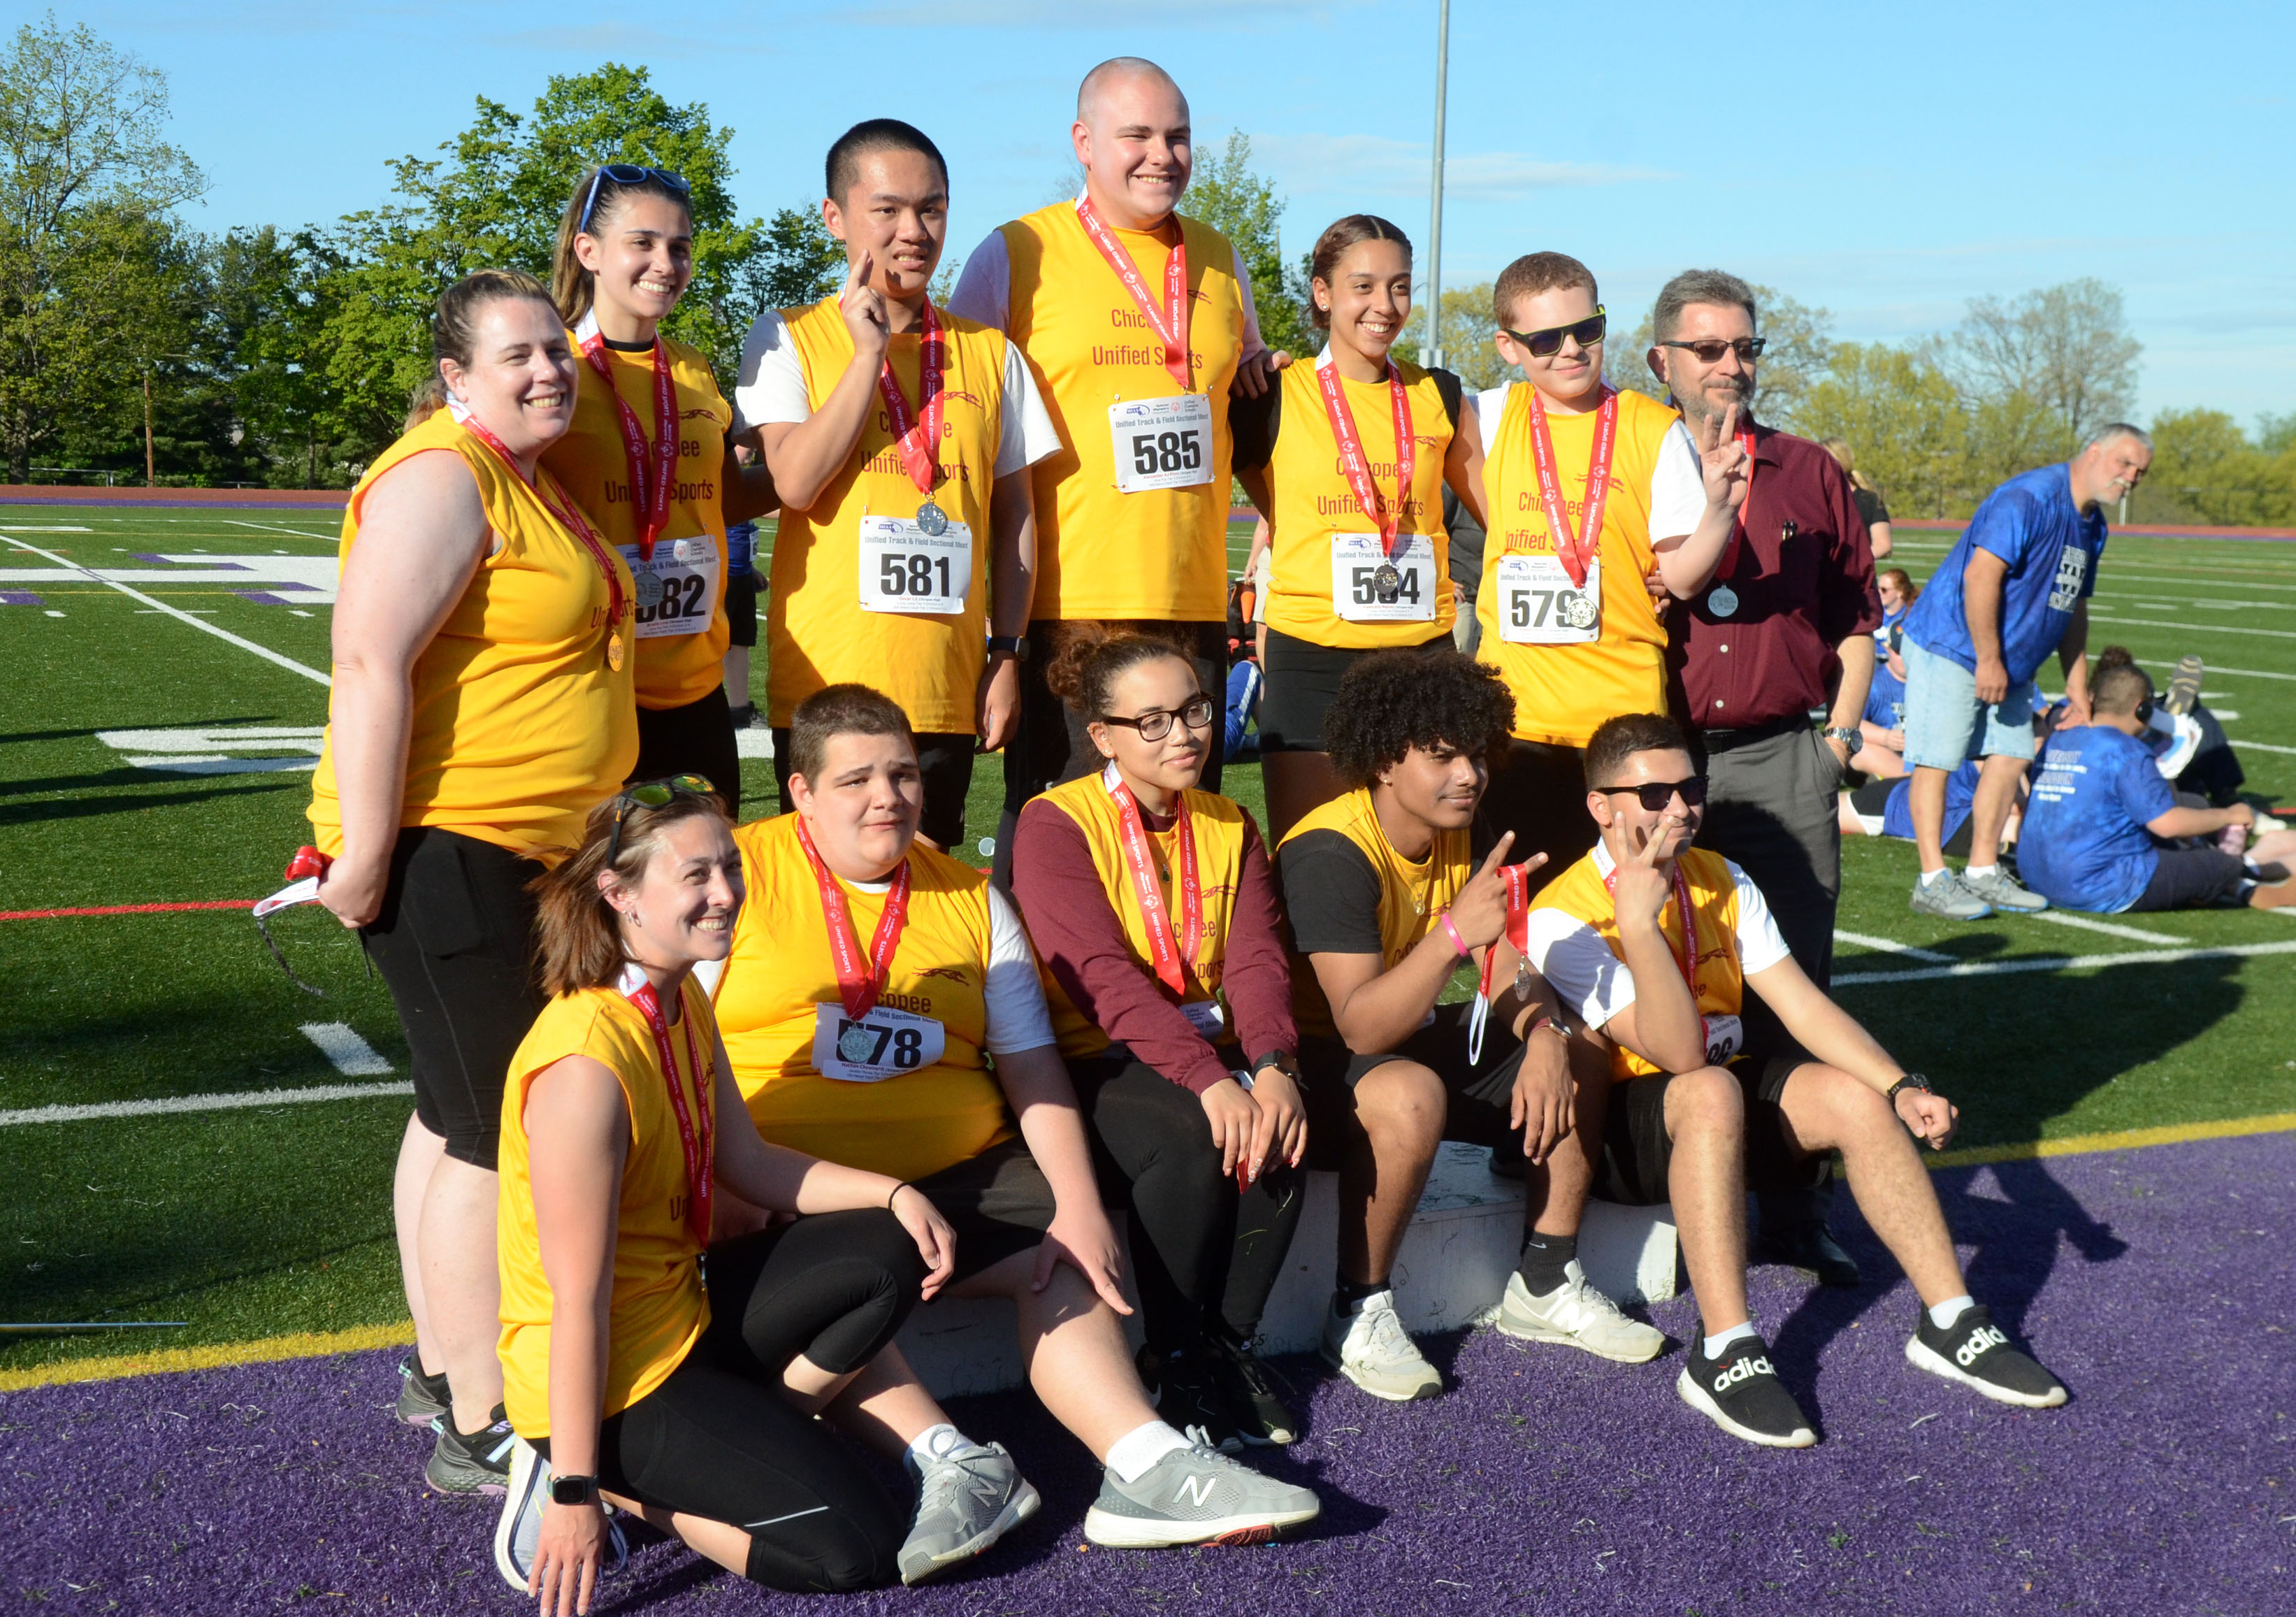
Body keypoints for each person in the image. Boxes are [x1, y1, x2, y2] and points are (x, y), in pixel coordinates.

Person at [709, 684, 1320, 1548]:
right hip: (797, 1181)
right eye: (855, 781)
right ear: (800, 792)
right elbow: (673, 1050)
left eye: (902, 775)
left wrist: (1075, 1204)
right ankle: (952, 1460)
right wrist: (727, 1171)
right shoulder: (732, 880)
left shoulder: (969, 896)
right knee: (865, 1257)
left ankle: (1147, 1466)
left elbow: (1033, 1073)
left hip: (965, 1171)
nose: (887, 796)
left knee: (1059, 1253)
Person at [491, 780, 1013, 1600]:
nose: (727, 894)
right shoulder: (585, 1070)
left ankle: (743, 1434)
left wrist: (895, 1195)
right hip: (618, 1383)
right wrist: (577, 1494)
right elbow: (577, 1300)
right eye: (696, 876)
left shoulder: (679, 998)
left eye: (731, 867)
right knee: (857, 1552)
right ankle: (609, 1479)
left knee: (886, 1249)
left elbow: (752, 1163)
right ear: (618, 893)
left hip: (684, 1314)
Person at [305, 269, 637, 1493]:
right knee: (498, 1128)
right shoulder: (444, 473)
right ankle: (482, 1415)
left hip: (518, 848)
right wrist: (368, 853)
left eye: (557, 348)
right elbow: (367, 659)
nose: (550, 368)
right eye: (518, 356)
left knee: (451, 1111)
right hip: (453, 844)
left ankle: (442, 1365)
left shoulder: (518, 476)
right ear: (456, 375)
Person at [1521, 713, 2068, 1448]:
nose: (1680, 807)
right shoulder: (1563, 913)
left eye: (1690, 788)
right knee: (1711, 1088)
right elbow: (1679, 1055)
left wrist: (1901, 1084)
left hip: (1712, 1094)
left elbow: (1802, 1004)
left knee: (1852, 1096)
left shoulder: (1722, 874)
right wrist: (1641, 926)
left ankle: (1950, 1319)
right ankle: (1723, 1349)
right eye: (1655, 795)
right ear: (1602, 806)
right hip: (1626, 1125)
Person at [1276, 648, 1658, 1406]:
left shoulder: (1463, 824)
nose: (1469, 774)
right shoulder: (1330, 850)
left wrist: (1545, 1032)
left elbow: (1509, 960)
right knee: (1412, 1091)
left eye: (1477, 754)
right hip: (1305, 1063)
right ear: (1384, 762)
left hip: (1400, 1029)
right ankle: (1358, 1308)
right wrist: (1452, 934)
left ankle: (1545, 1279)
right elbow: (1359, 1027)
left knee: (1579, 1042)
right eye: (1443, 756)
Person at [946, 57, 1281, 884]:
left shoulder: (1219, 257)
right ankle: (1039, 1016)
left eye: (1178, 137)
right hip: (1066, 612)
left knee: (1175, 855)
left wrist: (1262, 368)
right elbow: (954, 408)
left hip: (1190, 609)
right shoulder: (1017, 251)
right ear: (1084, 142)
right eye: (1137, 135)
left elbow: (1247, 392)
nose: (1161, 155)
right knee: (1059, 849)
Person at [1642, 269, 1883, 1291]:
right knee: (1651, 981)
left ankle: (1792, 1206)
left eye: (1744, 347)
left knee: (1796, 988)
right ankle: (1657, 1206)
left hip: (1785, 753)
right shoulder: (1625, 461)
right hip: (1664, 760)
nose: (1730, 365)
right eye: (1708, 349)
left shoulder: (1809, 468)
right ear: (1661, 361)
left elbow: (1856, 618)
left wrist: (1836, 738)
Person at [1011, 629, 1306, 1451]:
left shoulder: (1229, 820)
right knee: (1187, 1137)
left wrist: (1274, 1065)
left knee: (1282, 1124)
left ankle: (1226, 1347)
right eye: (1152, 721)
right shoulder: (1053, 821)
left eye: (1194, 711)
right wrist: (1210, 1078)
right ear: (1100, 736)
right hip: (1096, 1055)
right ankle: (1172, 1357)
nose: (1182, 735)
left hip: (1205, 1050)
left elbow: (1255, 960)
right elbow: (1099, 978)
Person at [735, 120, 1057, 851]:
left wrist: (1005, 654)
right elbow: (795, 481)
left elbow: (1015, 518)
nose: (914, 230)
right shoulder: (787, 335)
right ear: (836, 218)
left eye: (932, 208)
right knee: (824, 921)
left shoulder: (990, 353)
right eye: (887, 209)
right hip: (825, 690)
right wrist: (865, 355)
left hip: (944, 689)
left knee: (927, 914)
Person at [1468, 252, 1738, 891]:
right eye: (1544, 338)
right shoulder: (1482, 417)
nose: (1569, 350)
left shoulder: (1652, 428)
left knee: (1629, 916)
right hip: (1515, 726)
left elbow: (1681, 576)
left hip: (1624, 732)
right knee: (1523, 924)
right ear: (1508, 347)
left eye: (1585, 330)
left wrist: (1721, 511)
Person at [1227, 214, 1482, 843]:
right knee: (1313, 858)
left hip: (1421, 659)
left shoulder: (1440, 394)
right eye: (1362, 286)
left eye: (1399, 287)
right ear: (1322, 294)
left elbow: (1503, 522)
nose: (1384, 305)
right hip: (1310, 658)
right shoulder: (1271, 394)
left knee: (1427, 861)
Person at [543, 164, 777, 814]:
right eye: (641, 243)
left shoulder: (693, 368)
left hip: (695, 689)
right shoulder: (547, 367)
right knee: (598, 899)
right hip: (590, 687)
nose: (664, 263)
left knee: (703, 891)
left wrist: (828, 458)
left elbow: (724, 500)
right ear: (588, 251)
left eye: (679, 247)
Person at [1897, 423, 2154, 920]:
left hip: (2011, 660)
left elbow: (2071, 605)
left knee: (2012, 755)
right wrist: (1988, 658)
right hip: (1952, 643)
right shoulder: (2029, 497)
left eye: (2139, 471)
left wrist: (2078, 685)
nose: (2130, 477)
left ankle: (1981, 870)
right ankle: (1931, 879)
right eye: (2123, 463)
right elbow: (1980, 575)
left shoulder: (2093, 525)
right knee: (1937, 758)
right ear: (2093, 451)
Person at [2018, 661, 2296, 913]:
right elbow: (2168, 823)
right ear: (2143, 708)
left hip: (2037, 875)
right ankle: (2249, 888)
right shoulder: (2127, 751)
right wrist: (2230, 816)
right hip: (2100, 884)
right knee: (2220, 865)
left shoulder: (2060, 738)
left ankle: (2243, 874)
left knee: (2174, 839)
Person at [1821, 437, 1893, 559]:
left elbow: (1883, 545)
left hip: (1855, 576)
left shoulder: (1869, 499)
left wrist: (1853, 562)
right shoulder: (1817, 497)